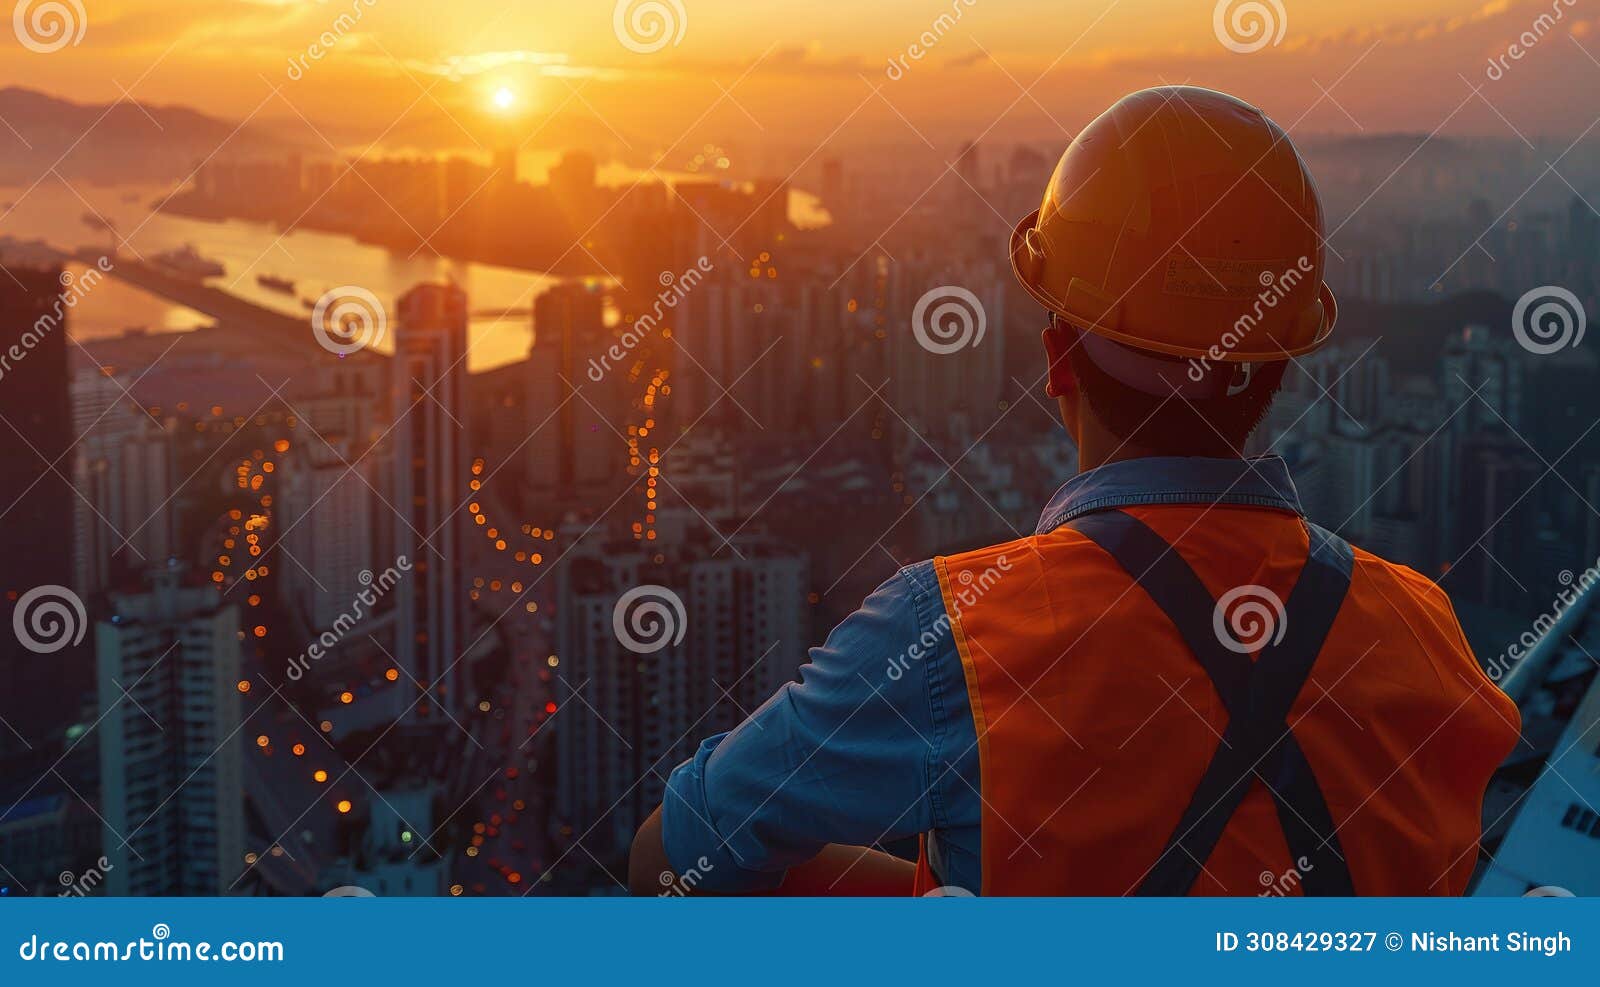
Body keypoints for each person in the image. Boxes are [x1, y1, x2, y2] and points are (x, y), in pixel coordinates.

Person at [629, 86, 1520, 896]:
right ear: (1278, 367)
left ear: (1059, 360)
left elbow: (672, 856)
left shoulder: (955, 635)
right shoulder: (1425, 634)